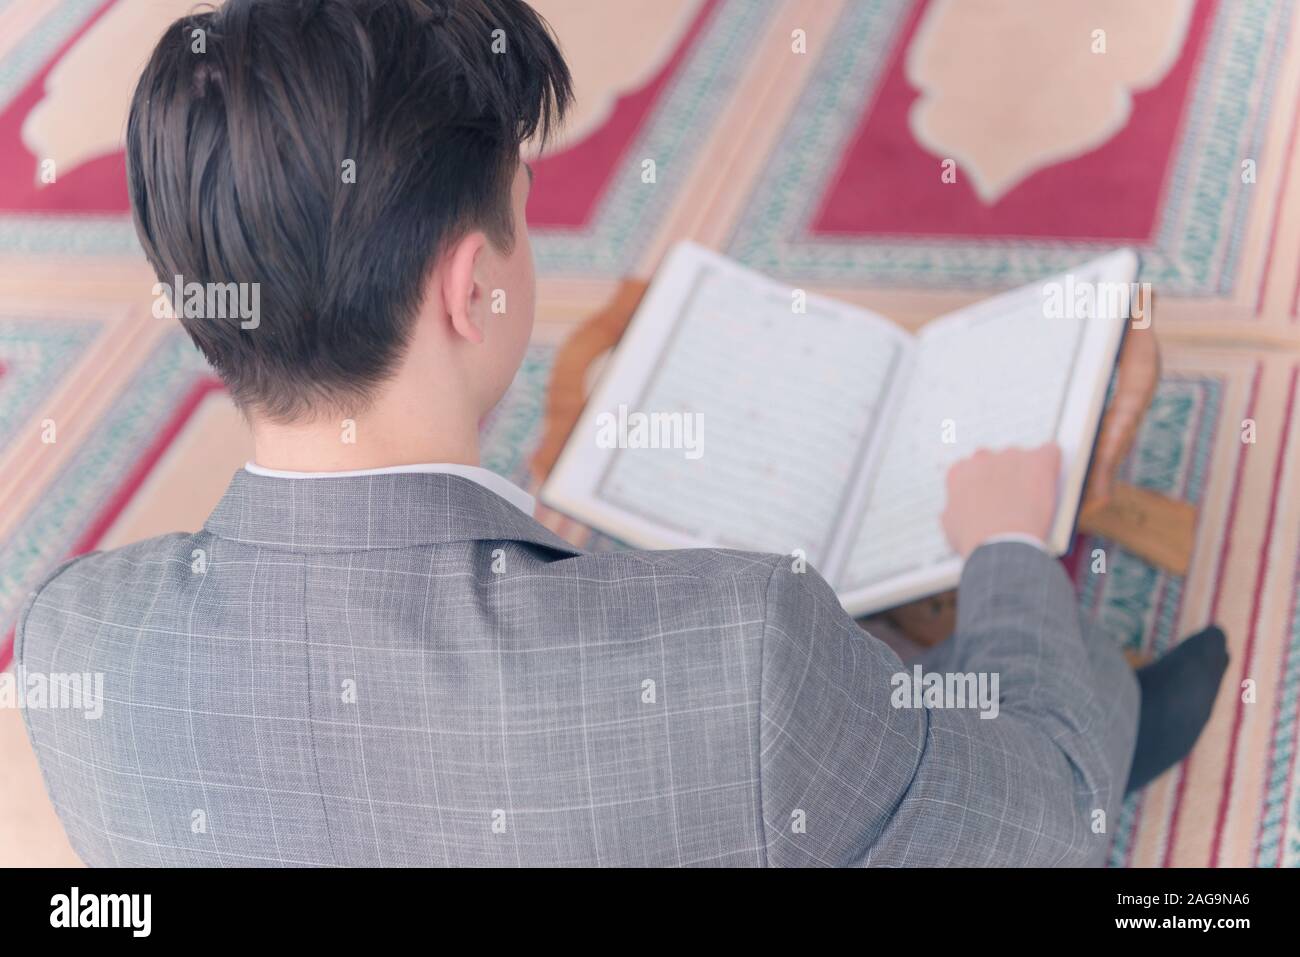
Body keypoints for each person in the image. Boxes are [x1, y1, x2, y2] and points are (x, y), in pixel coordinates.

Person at [16, 0, 1226, 867]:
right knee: (1001, 735)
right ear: (471, 288)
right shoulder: (741, 652)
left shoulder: (77, 646)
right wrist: (1007, 555)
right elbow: (1049, 825)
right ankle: (1033, 700)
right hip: (859, 750)